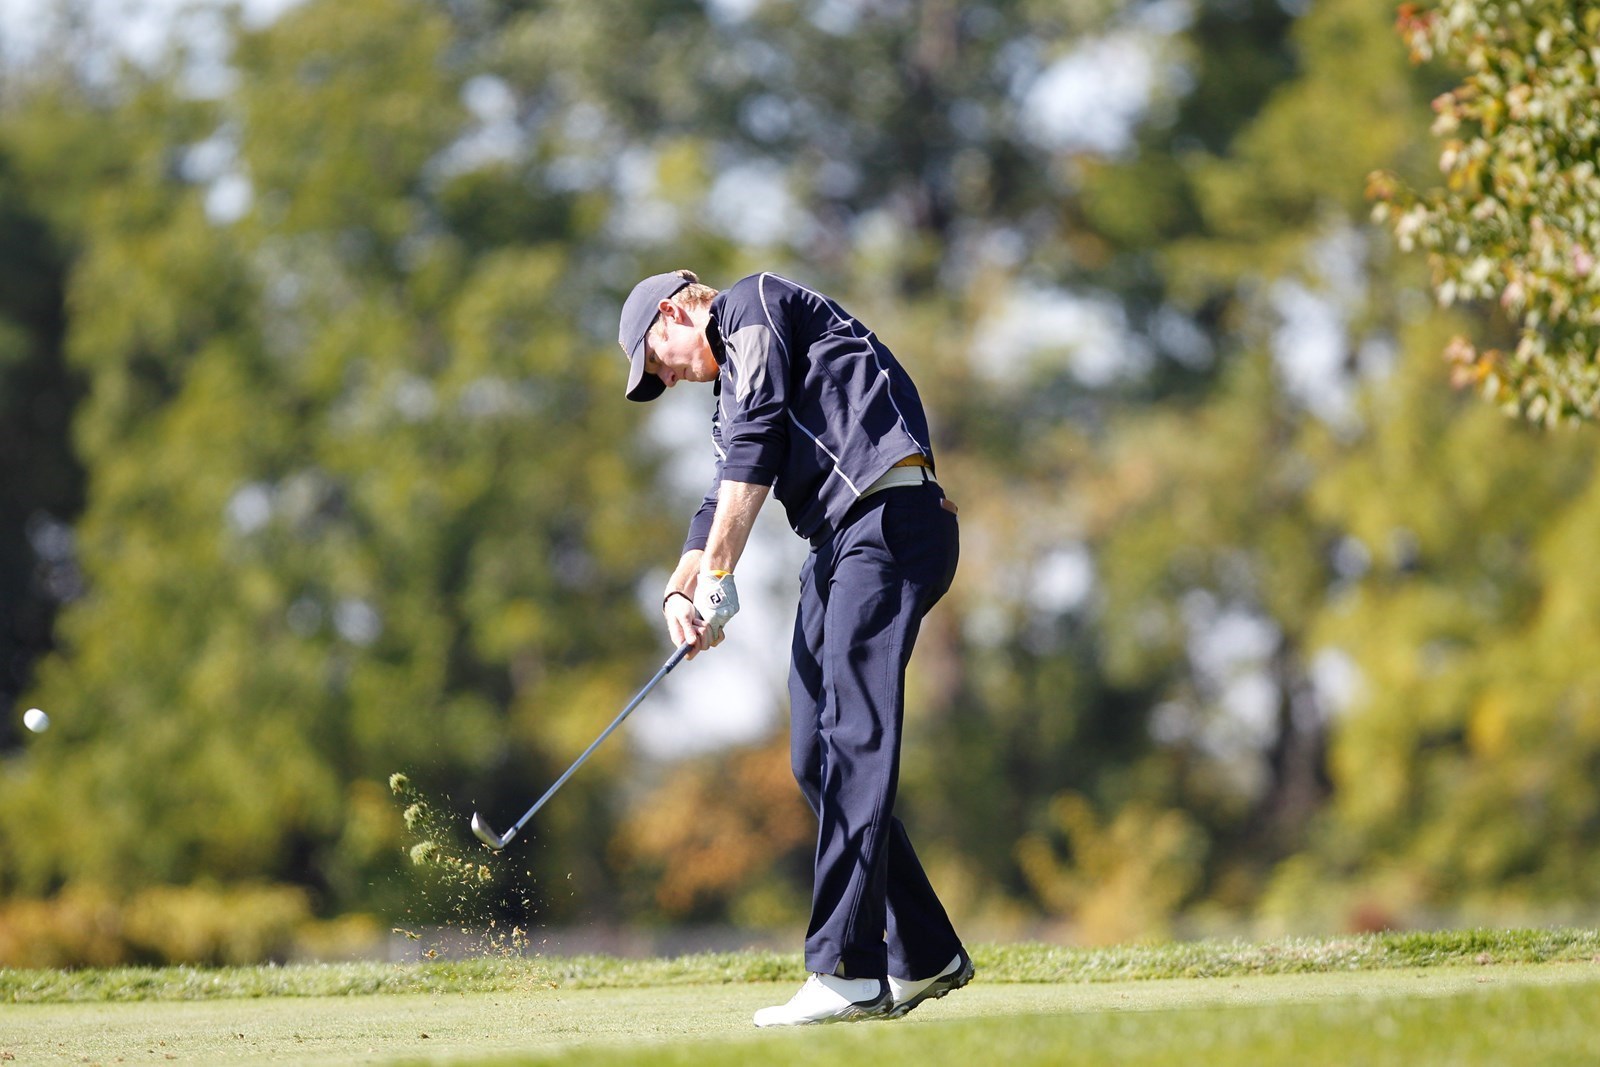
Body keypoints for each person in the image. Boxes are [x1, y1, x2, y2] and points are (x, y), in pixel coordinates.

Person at [615, 269, 973, 1026]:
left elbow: (754, 448)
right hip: (840, 544)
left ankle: (847, 969)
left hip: (890, 522)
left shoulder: (754, 304)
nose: (668, 376)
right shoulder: (731, 391)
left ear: (677, 307)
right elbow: (721, 490)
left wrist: (718, 573)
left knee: (852, 737)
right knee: (813, 752)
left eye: (659, 356)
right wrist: (683, 588)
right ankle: (927, 951)